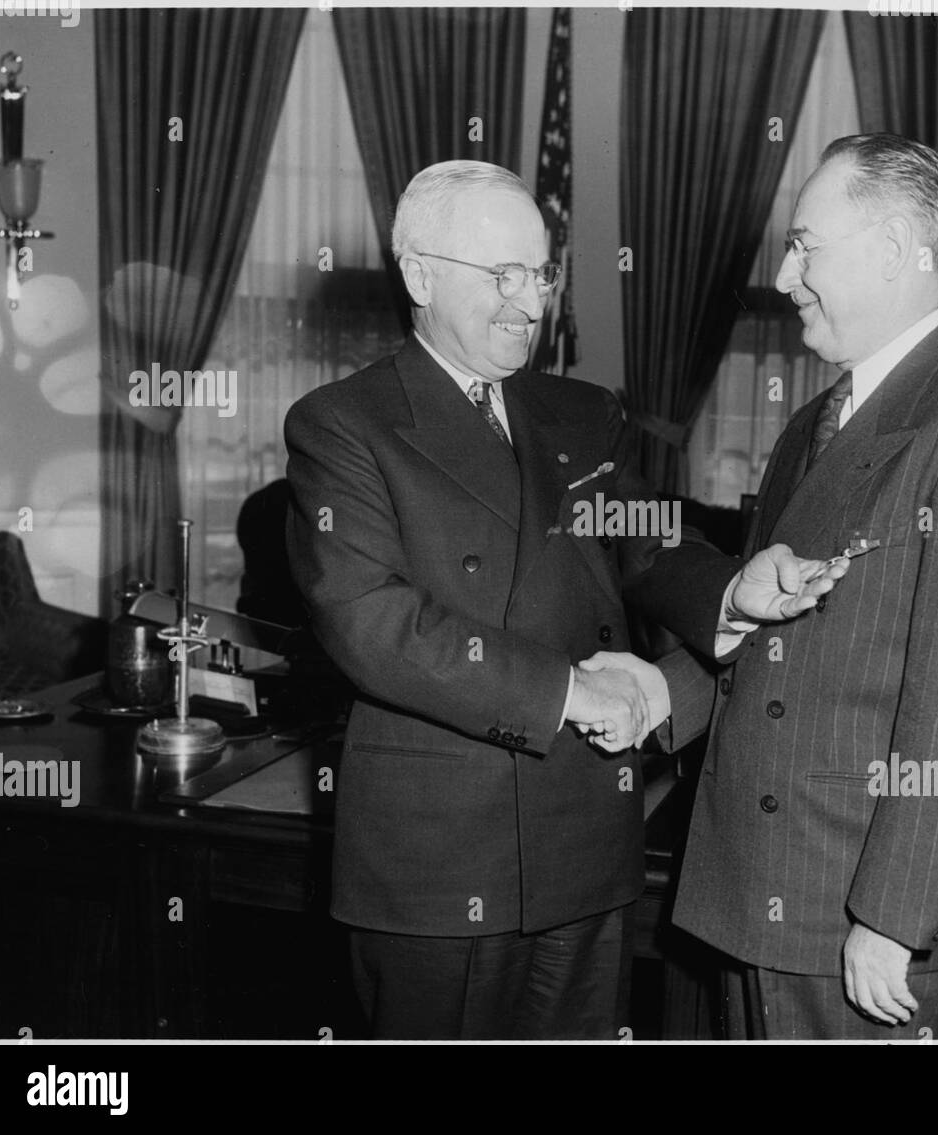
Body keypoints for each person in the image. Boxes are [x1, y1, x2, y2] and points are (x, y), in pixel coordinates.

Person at [283, 160, 843, 1040]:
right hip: (438, 863)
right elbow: (374, 624)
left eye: (539, 272)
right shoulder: (343, 423)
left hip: (586, 836)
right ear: (419, 276)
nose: (528, 301)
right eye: (498, 274)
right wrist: (572, 692)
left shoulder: (581, 412)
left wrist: (738, 587)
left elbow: (647, 542)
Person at [592, 134, 938, 1038]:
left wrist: (893, 915)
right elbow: (794, 631)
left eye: (806, 244)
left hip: (855, 918)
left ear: (892, 250)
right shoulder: (817, 421)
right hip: (763, 886)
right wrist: (664, 690)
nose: (783, 273)